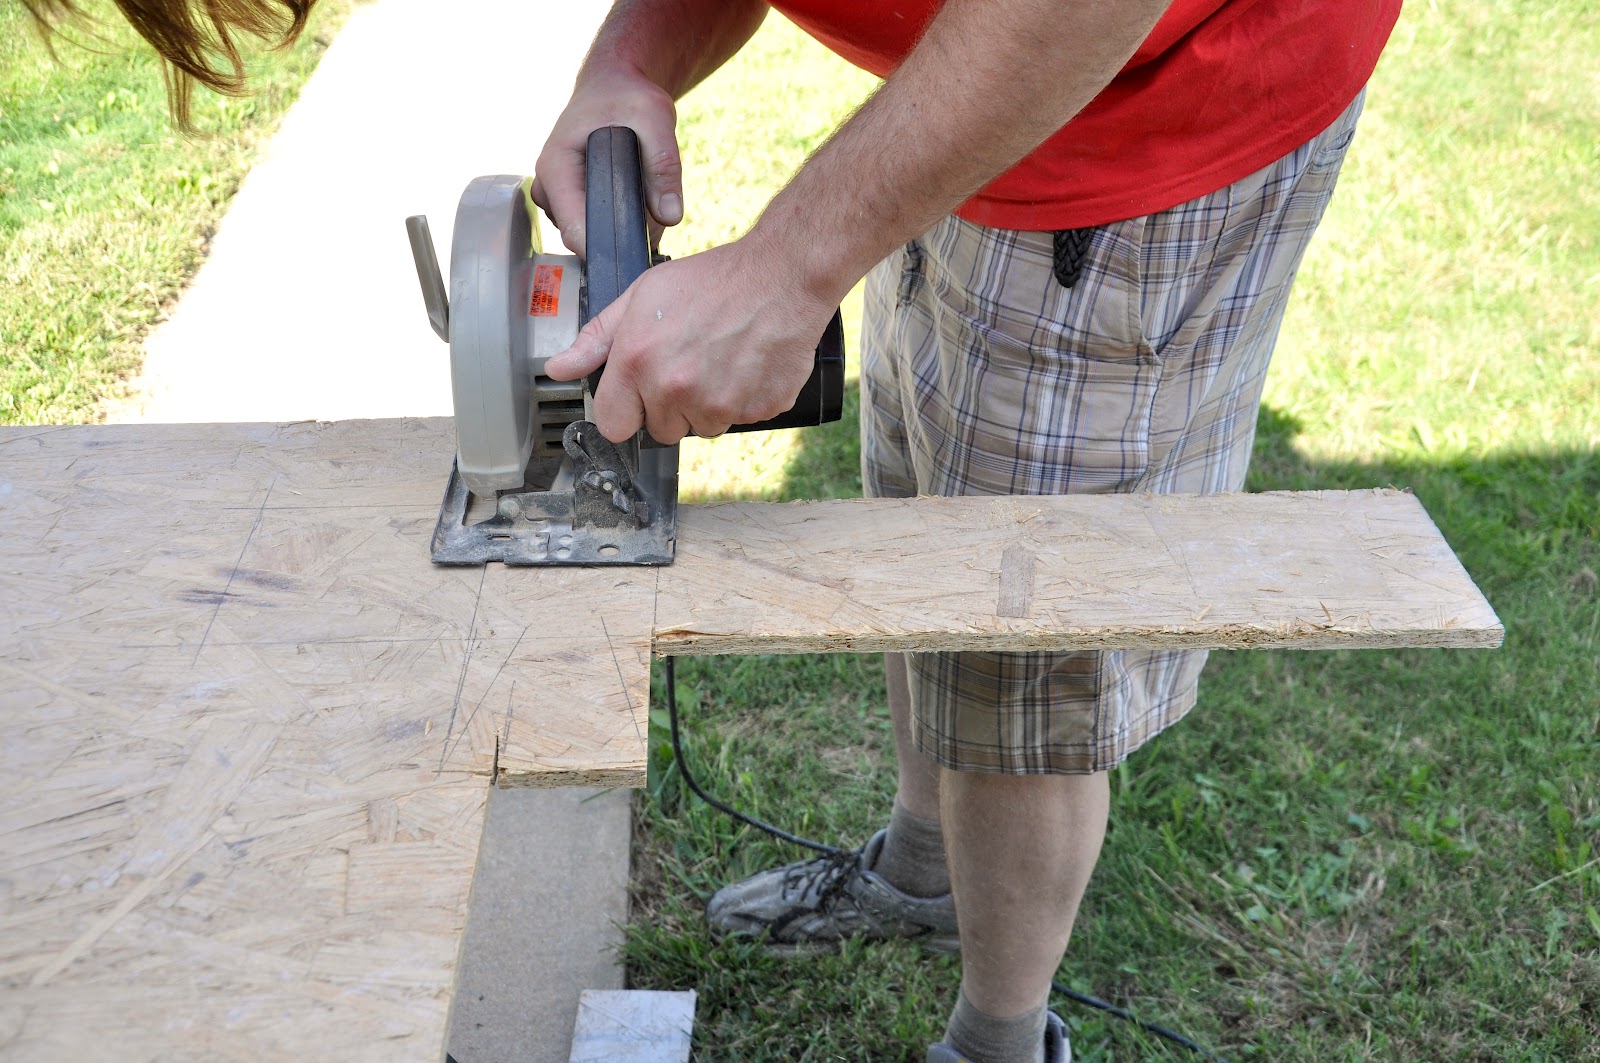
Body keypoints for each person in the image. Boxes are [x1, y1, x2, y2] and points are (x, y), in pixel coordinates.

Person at [29, 1, 1400, 1059]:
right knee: (923, 495)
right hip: (977, 74)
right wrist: (633, 61)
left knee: (1016, 623)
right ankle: (924, 869)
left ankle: (1001, 1037)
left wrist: (794, 265)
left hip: (1140, 103)